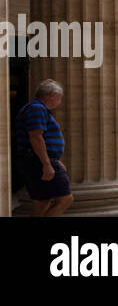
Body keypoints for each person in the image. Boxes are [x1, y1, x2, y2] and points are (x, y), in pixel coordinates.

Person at [15, 79, 74, 216]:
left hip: (36, 160)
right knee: (65, 199)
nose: (59, 102)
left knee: (42, 202)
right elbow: (36, 137)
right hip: (37, 161)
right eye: (60, 98)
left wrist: (54, 160)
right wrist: (47, 163)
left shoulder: (36, 109)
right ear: (52, 95)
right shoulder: (36, 108)